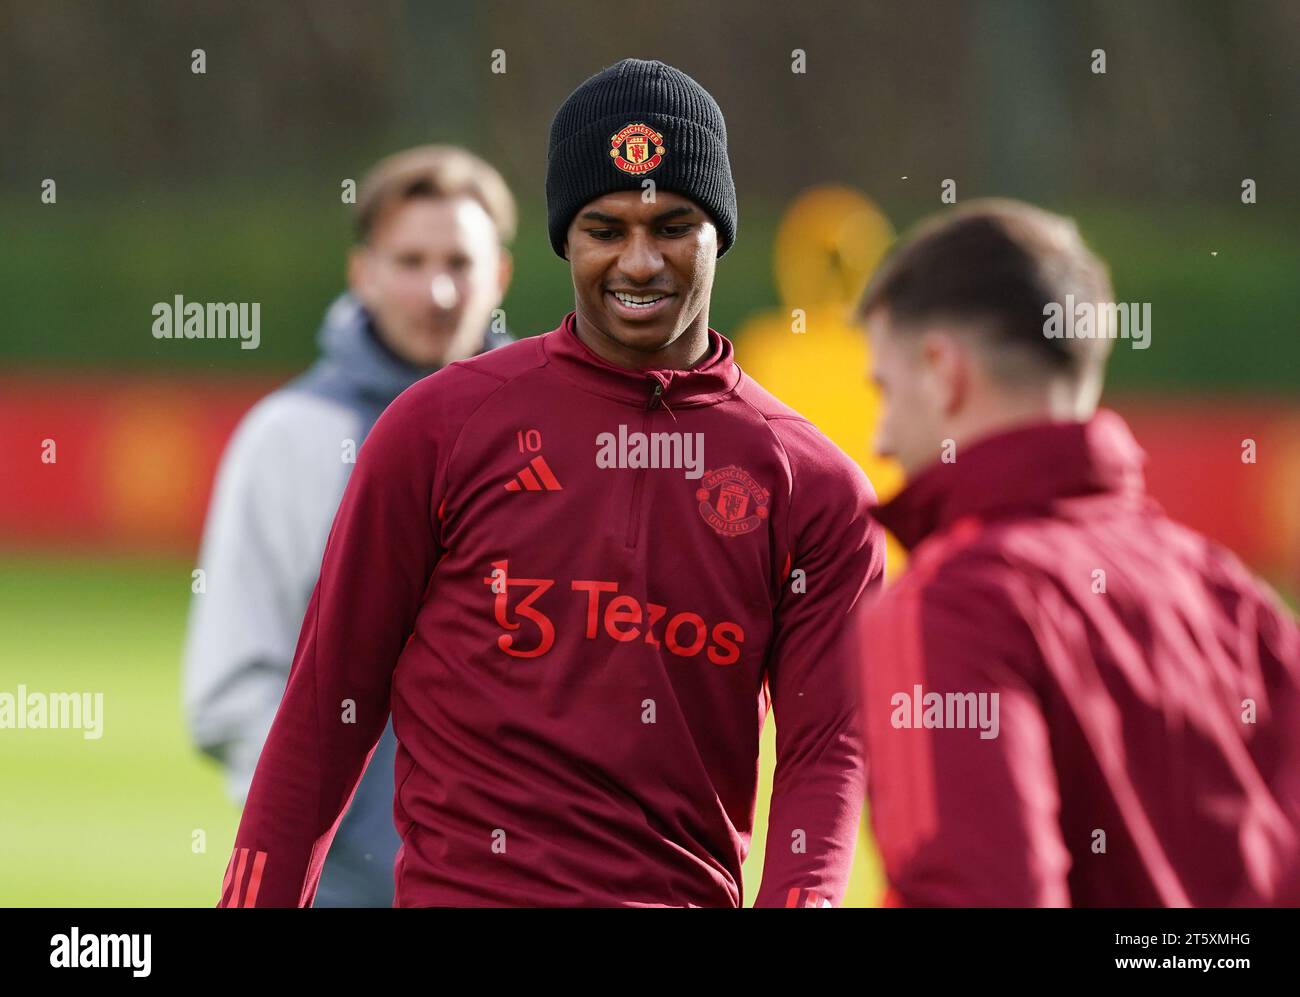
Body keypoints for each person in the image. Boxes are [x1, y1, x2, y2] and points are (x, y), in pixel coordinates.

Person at [216, 58, 884, 908]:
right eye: (606, 228)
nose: (640, 262)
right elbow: (324, 710)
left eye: (673, 224)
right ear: (565, 237)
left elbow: (828, 751)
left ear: (721, 232)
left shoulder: (814, 487)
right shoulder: (438, 428)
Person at [854, 198, 1300, 906]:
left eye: (885, 387)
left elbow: (982, 896)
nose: (879, 436)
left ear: (943, 369)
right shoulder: (1234, 593)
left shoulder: (955, 600)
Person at [184, 145, 515, 906]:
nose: (437, 289)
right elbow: (228, 685)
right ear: (362, 271)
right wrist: (339, 820)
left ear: (497, 274)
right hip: (334, 886)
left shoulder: (551, 439)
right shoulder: (287, 436)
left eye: (459, 262)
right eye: (409, 259)